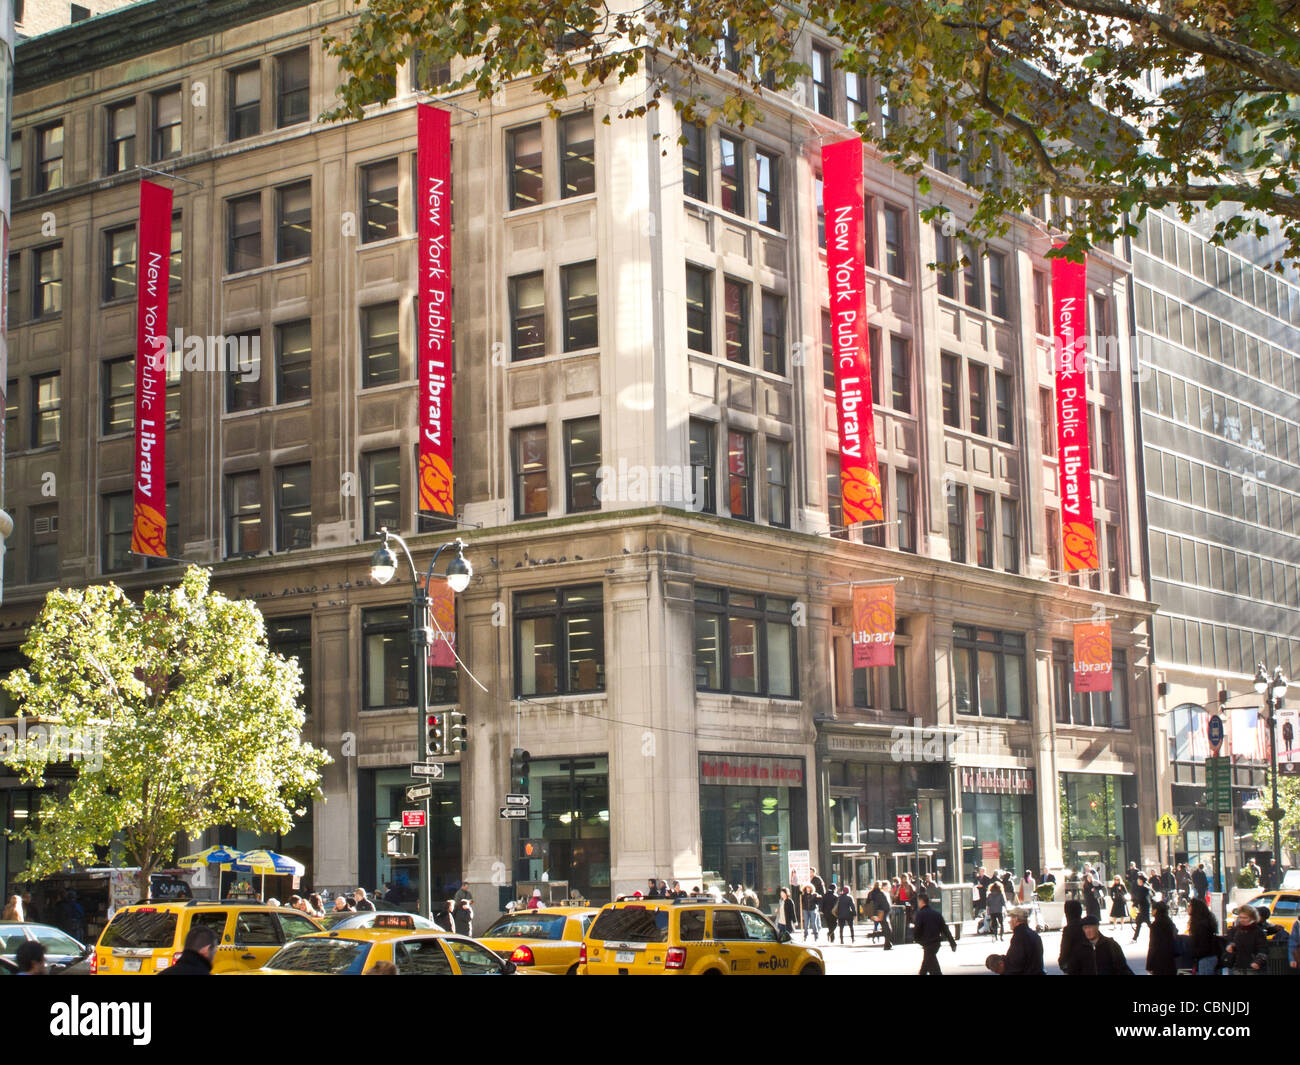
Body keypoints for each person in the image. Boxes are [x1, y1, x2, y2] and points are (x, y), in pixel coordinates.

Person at [913, 892, 957, 975]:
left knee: (934, 968)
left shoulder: (920, 914)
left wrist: (917, 939)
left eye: (918, 901)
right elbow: (945, 929)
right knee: (926, 965)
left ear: (921, 901)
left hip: (927, 942)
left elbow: (917, 929)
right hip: (936, 942)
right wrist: (952, 943)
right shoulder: (936, 914)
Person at [996, 907, 1045, 974]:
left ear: (1016, 919)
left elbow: (1016, 962)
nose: (1009, 922)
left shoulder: (1019, 936)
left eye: (1010, 918)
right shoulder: (1034, 934)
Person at [1223, 904, 1268, 975]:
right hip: (1237, 966)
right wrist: (1231, 946)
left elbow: (1263, 948)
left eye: (1245, 918)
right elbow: (1230, 942)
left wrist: (1258, 961)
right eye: (1240, 917)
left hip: (1252, 967)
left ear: (1252, 918)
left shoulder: (1258, 931)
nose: (1242, 920)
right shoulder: (1235, 930)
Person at [1186, 896, 1219, 975]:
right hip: (1206, 958)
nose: (1188, 908)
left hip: (1205, 959)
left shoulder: (1201, 926)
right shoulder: (1205, 922)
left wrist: (1194, 953)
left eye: (1190, 906)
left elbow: (1203, 945)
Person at [1059, 899, 1094, 975]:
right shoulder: (1087, 925)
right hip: (1090, 965)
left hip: (1075, 966)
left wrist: (1063, 965)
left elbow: (1065, 950)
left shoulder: (1069, 929)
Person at [1145, 900, 1178, 975]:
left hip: (1159, 961)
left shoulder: (1155, 925)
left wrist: (1149, 965)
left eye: (1152, 909)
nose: (1151, 911)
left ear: (1156, 910)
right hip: (1170, 959)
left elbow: (1153, 945)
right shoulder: (1170, 923)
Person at [867, 881, 892, 950]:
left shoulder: (885, 894)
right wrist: (876, 914)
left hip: (882, 913)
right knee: (887, 930)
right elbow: (879, 905)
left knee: (886, 929)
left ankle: (887, 944)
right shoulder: (880, 894)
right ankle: (887, 945)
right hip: (882, 913)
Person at [1129, 873, 1152, 942]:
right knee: (1142, 923)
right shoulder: (1145, 887)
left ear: (1141, 881)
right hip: (1144, 907)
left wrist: (1134, 904)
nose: (1138, 882)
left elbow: (1140, 898)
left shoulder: (1143, 888)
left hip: (1144, 907)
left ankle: (1135, 938)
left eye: (1139, 880)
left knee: (1143, 923)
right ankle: (1134, 938)